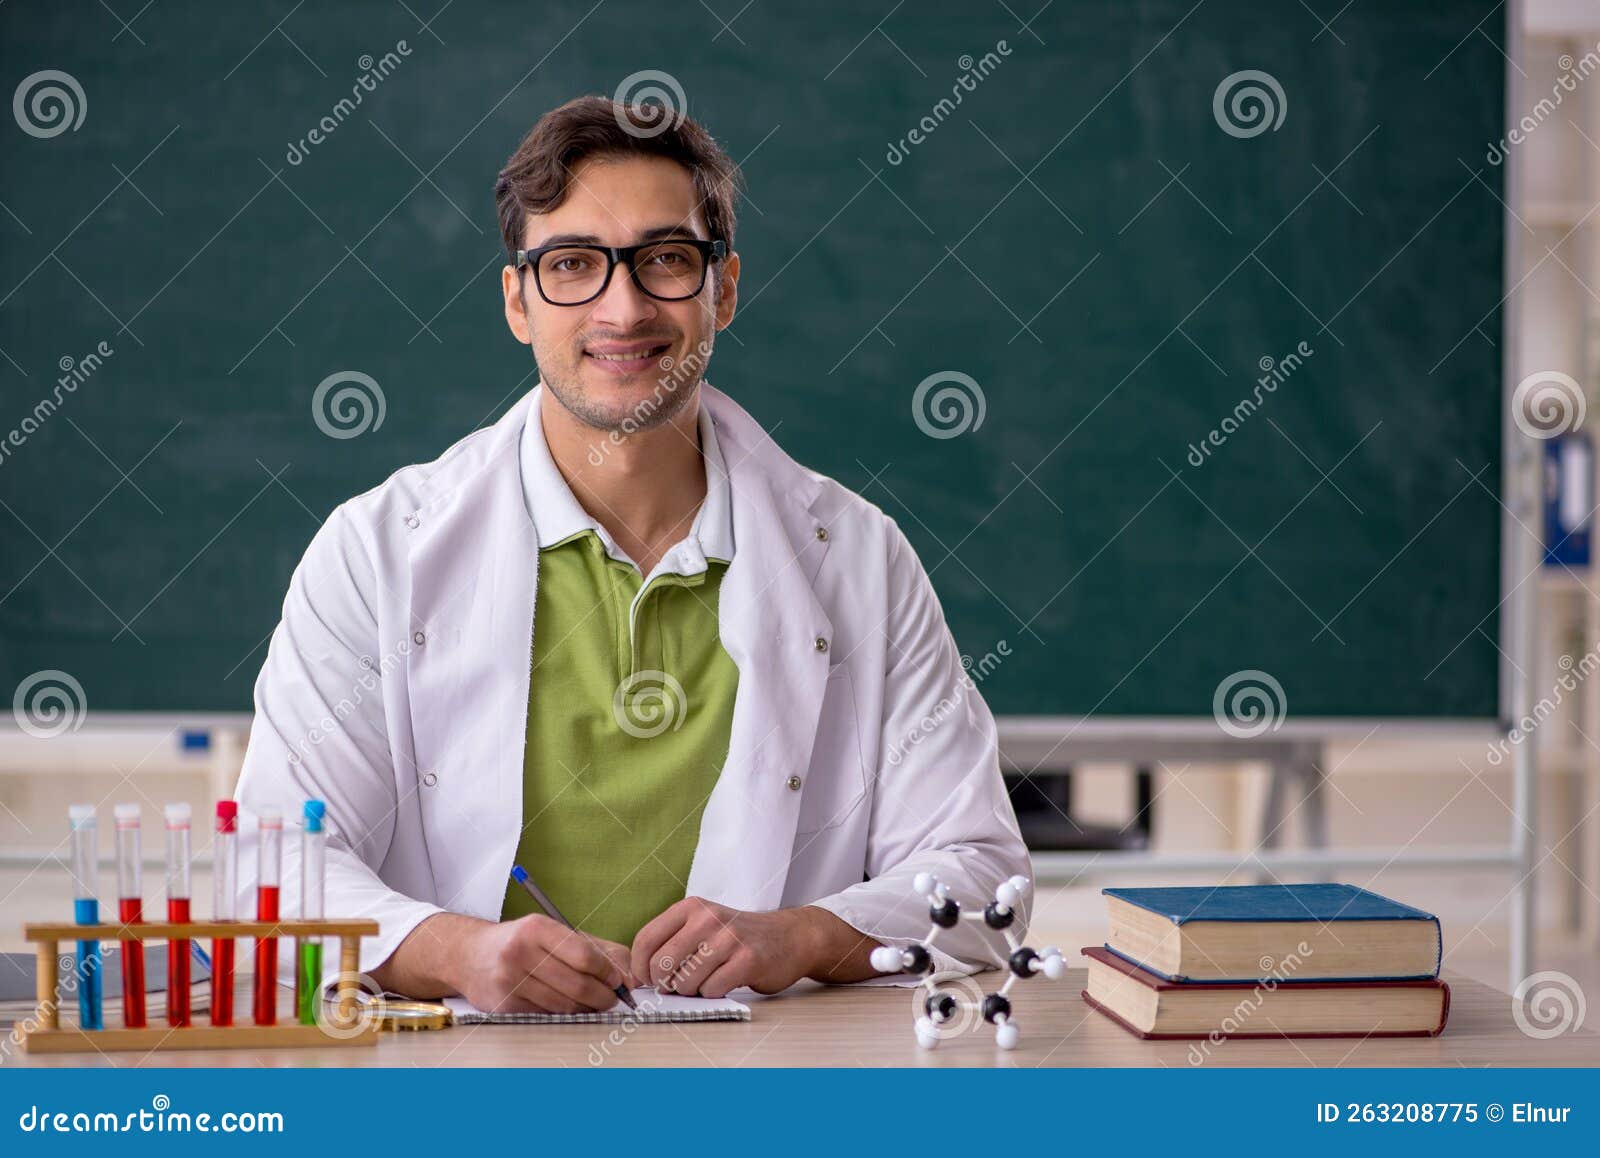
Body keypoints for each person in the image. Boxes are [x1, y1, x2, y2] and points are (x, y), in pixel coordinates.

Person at [234, 95, 1028, 1013]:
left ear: (723, 288)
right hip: (465, 1072)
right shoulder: (377, 553)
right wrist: (455, 954)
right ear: (517, 301)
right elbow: (272, 865)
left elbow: (982, 879)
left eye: (665, 260)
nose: (624, 306)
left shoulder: (857, 558)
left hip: (765, 1077)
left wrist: (801, 934)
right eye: (572, 264)